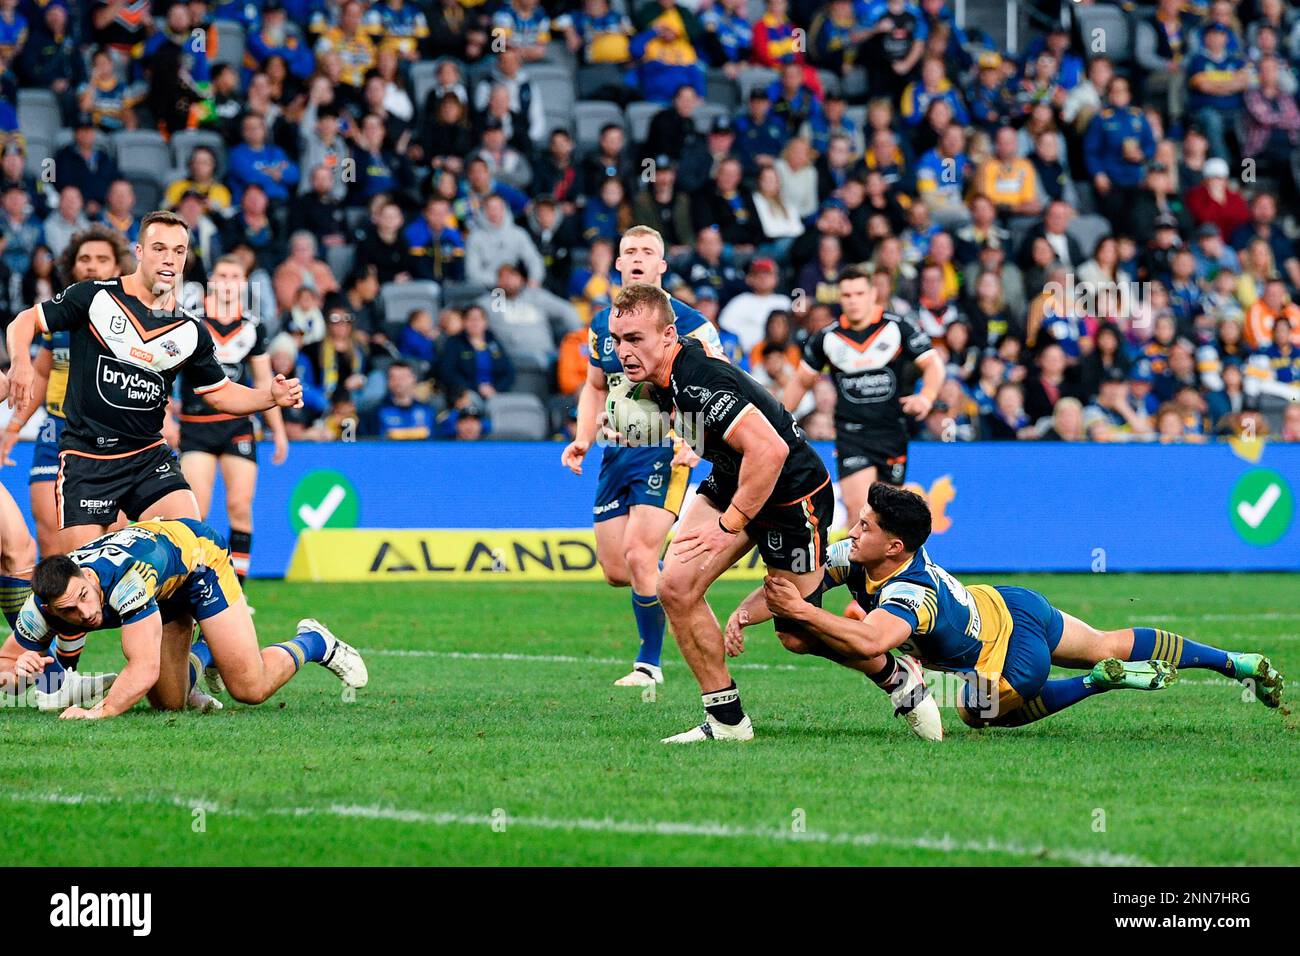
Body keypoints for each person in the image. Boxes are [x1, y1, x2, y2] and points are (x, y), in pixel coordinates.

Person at [609, 283, 935, 743]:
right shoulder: (663, 378)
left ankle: (896, 677)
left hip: (792, 496)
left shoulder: (700, 380)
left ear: (667, 336)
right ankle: (726, 721)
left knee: (796, 631)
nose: (623, 351)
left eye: (635, 339)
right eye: (618, 340)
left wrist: (730, 525)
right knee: (675, 587)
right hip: (733, 477)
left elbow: (770, 450)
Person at [730, 484, 1284, 733]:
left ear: (895, 547)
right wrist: (745, 614)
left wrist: (801, 615)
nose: (855, 531)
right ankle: (1235, 661)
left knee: (975, 714)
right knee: (1110, 640)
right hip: (1011, 603)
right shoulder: (863, 557)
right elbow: (800, 586)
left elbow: (871, 643)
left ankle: (1097, 683)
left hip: (1009, 655)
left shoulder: (909, 594)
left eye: (867, 526)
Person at [5, 211, 304, 554]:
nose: (169, 258)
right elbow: (24, 321)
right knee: (87, 578)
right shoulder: (95, 297)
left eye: (178, 251)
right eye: (159, 248)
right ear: (140, 251)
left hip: (148, 457)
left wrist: (270, 396)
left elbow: (221, 393)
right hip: (87, 458)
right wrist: (20, 365)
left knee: (193, 551)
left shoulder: (190, 331)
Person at [560, 226, 721, 688]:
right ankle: (682, 583)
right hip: (616, 453)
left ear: (661, 266)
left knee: (638, 552)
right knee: (617, 569)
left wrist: (695, 436)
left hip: (664, 452)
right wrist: (582, 438)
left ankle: (648, 664)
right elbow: (593, 387)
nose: (636, 257)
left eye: (647, 252)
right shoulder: (601, 325)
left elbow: (723, 381)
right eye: (629, 251)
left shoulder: (689, 323)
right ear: (617, 263)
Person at [8, 518, 368, 719]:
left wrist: (98, 713)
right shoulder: (41, 605)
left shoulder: (126, 581)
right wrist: (17, 671)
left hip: (199, 562)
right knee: (168, 704)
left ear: (88, 576)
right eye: (68, 611)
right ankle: (207, 649)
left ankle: (315, 641)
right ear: (49, 608)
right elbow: (5, 665)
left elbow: (142, 667)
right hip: (162, 586)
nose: (85, 615)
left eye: (84, 597)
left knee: (249, 688)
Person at [782, 266, 944, 538]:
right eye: (846, 295)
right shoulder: (827, 338)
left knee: (889, 520)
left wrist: (926, 397)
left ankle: (884, 581)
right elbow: (800, 382)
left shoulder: (897, 327)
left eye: (859, 293)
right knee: (860, 513)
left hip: (892, 432)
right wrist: (778, 421)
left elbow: (934, 365)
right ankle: (856, 580)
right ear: (840, 298)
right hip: (851, 434)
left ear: (872, 294)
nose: (853, 300)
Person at [1, 227, 132, 558]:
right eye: (84, 259)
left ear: (117, 268)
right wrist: (14, 427)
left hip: (109, 438)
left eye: (102, 260)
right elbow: (43, 374)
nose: (91, 266)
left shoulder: (134, 322)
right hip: (55, 431)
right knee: (50, 539)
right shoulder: (56, 318)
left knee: (110, 543)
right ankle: (57, 608)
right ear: (72, 267)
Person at [178, 255, 289, 589]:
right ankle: (191, 586)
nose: (227, 282)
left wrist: (279, 432)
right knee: (196, 509)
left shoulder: (254, 326)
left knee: (240, 505)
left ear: (243, 284)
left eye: (234, 276)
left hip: (238, 425)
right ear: (212, 281)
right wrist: (165, 415)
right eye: (222, 275)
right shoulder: (190, 322)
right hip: (196, 425)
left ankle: (236, 590)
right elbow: (168, 372)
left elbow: (265, 383)